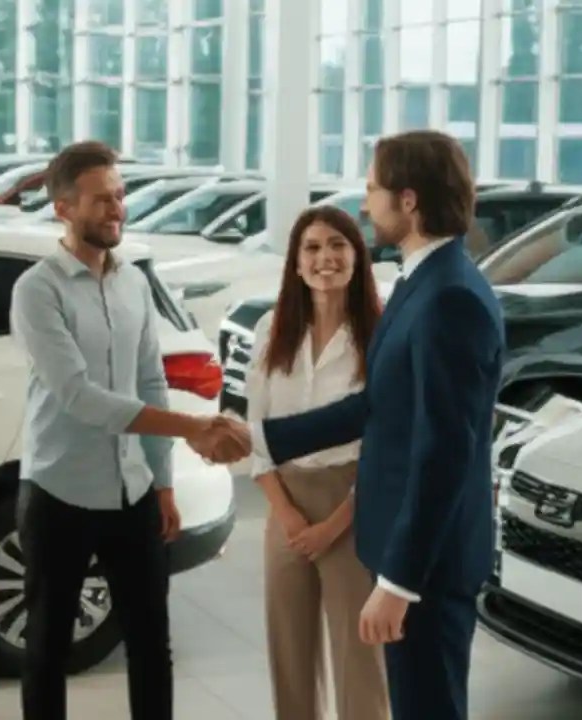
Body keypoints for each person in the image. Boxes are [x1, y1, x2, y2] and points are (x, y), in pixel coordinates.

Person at [200, 130, 505, 720]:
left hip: (428, 569)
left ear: (408, 200)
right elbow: (376, 409)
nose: (366, 203)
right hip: (404, 548)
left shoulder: (449, 299)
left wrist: (399, 583)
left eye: (372, 189)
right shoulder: (421, 285)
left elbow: (444, 453)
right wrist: (258, 438)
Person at [9, 140, 247, 720]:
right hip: (59, 491)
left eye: (119, 196)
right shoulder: (37, 290)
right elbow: (79, 396)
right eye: (100, 200)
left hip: (133, 490)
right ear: (63, 208)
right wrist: (192, 426)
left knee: (149, 640)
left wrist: (163, 480)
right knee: (47, 647)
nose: (116, 208)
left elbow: (149, 381)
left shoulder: (133, 283)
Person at [238, 206, 389, 720]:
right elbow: (257, 432)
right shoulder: (271, 329)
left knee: (358, 653)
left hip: (353, 500)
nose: (325, 257)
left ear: (356, 256)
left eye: (337, 245)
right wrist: (289, 517)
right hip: (285, 502)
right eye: (312, 247)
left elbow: (387, 445)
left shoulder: (380, 332)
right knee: (290, 651)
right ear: (296, 264)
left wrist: (332, 526)